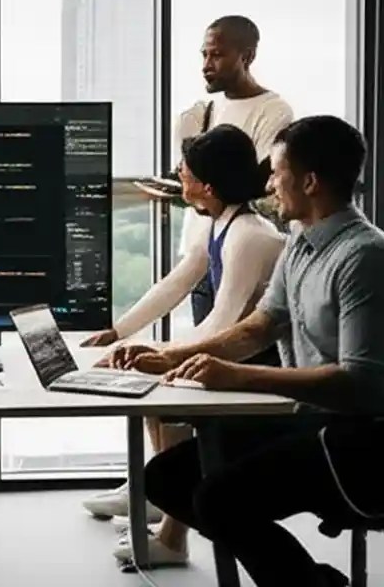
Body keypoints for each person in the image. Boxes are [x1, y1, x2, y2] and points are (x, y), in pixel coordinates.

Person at [111, 116, 384, 587]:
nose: (267, 183)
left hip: (369, 442)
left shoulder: (367, 259)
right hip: (315, 422)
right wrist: (176, 358)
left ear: (310, 181)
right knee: (164, 478)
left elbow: (360, 383)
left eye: (277, 172)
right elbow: (261, 325)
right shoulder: (302, 242)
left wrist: (238, 376)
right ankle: (309, 581)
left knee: (217, 497)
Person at [79, 125, 287, 566]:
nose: (178, 175)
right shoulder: (220, 223)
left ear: (207, 186)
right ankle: (166, 507)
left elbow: (224, 321)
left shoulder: (250, 235)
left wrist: (159, 355)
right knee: (154, 399)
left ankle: (171, 526)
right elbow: (176, 283)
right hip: (237, 348)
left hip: (259, 360)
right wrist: (120, 331)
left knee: (159, 395)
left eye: (185, 170)